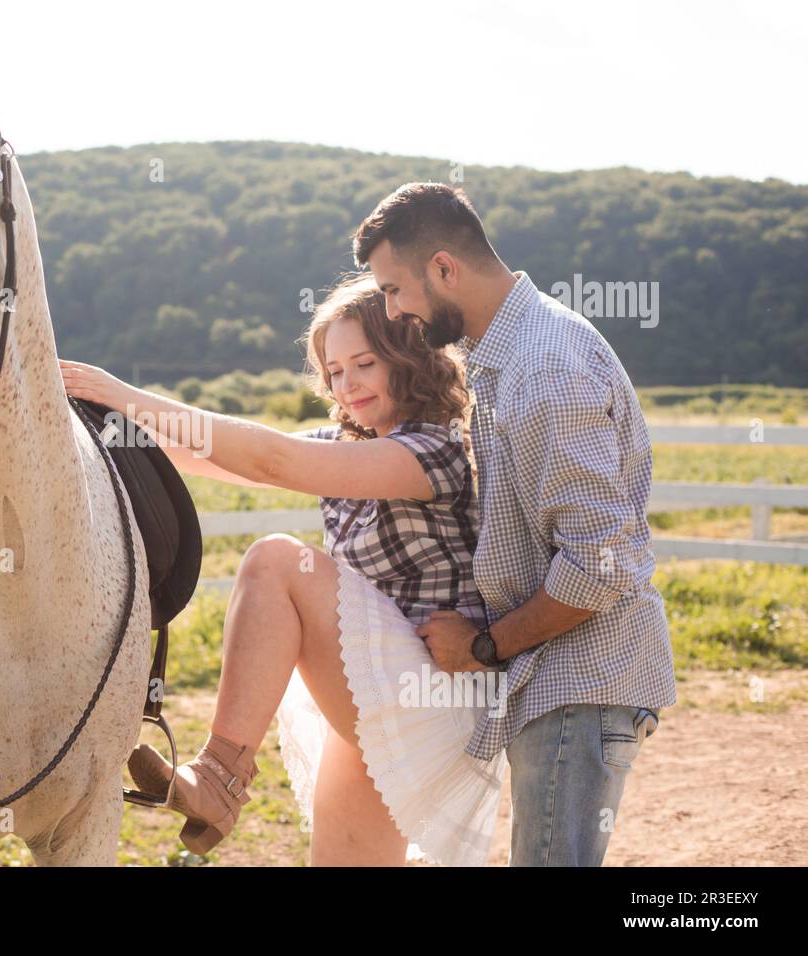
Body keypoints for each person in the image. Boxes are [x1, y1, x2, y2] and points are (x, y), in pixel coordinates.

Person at [58, 274, 506, 866]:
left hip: (435, 695)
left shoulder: (434, 451)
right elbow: (220, 456)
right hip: (377, 683)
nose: (348, 385)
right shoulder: (351, 445)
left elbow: (271, 459)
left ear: (410, 358)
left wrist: (122, 391)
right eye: (336, 371)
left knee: (276, 560)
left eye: (365, 363)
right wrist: (98, 423)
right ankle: (218, 784)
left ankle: (219, 776)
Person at [353, 182, 676, 866]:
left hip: (580, 682)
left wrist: (483, 647)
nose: (393, 311)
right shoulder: (510, 355)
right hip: (560, 683)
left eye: (393, 289)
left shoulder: (544, 368)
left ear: (444, 269)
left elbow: (597, 564)